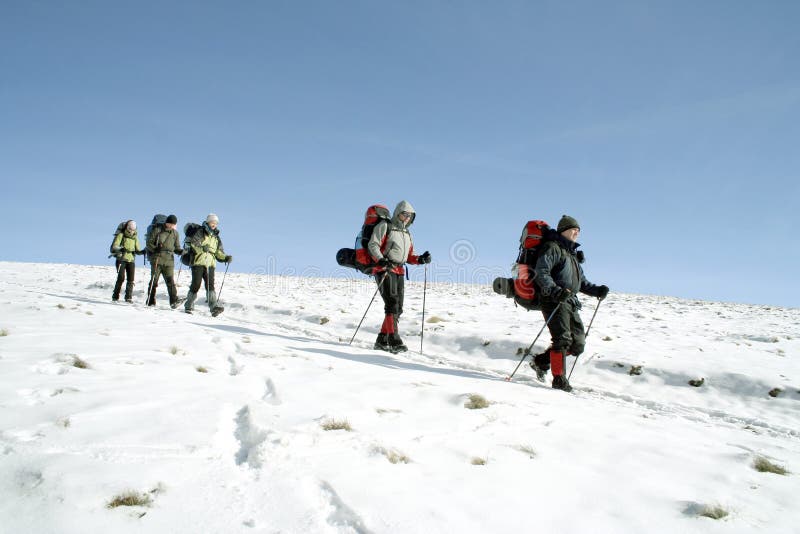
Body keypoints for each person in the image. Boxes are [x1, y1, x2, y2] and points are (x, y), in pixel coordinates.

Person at [532, 215, 609, 391]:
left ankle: (542, 361)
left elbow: (581, 283)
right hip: (553, 299)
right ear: (563, 230)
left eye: (578, 231)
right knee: (562, 340)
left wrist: (597, 290)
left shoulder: (571, 255)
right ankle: (559, 379)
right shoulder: (552, 248)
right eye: (573, 229)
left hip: (570, 302)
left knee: (578, 344)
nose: (576, 232)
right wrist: (554, 290)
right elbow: (541, 271)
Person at [367, 200, 431, 353]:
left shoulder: (407, 233)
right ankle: (393, 339)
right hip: (384, 269)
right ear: (398, 213)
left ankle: (382, 340)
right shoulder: (385, 226)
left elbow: (408, 256)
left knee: (398, 308)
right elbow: (373, 245)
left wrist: (420, 259)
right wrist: (381, 260)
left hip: (399, 271)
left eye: (410, 216)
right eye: (405, 214)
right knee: (392, 303)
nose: (407, 217)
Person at [184, 213, 232, 316]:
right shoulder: (201, 232)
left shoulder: (216, 237)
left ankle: (213, 307)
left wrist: (225, 258)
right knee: (196, 284)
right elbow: (194, 244)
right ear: (208, 222)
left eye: (215, 223)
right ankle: (189, 305)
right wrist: (202, 248)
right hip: (199, 262)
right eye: (212, 222)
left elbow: (218, 252)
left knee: (210, 286)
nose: (214, 224)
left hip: (210, 264)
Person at [146, 214, 184, 308]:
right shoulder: (157, 230)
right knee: (154, 281)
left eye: (173, 224)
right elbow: (149, 243)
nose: (171, 226)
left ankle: (173, 301)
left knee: (170, 282)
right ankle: (150, 300)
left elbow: (177, 247)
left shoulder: (175, 233)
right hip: (157, 258)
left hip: (169, 260)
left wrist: (181, 252)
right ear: (166, 222)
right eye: (169, 223)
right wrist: (155, 249)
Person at [110, 220, 145, 302]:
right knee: (121, 278)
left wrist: (142, 252)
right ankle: (115, 296)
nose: (132, 231)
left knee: (131, 279)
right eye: (130, 229)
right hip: (121, 259)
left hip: (131, 260)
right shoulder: (121, 235)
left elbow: (137, 250)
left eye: (133, 229)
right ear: (127, 227)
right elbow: (115, 246)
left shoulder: (135, 238)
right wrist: (121, 248)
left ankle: (128, 297)